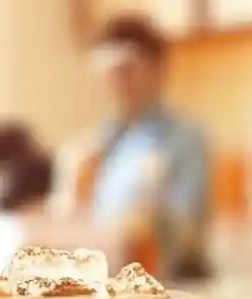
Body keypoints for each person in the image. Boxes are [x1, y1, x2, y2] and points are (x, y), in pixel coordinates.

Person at [87, 15, 212, 279]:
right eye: (109, 73)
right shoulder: (110, 142)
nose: (117, 83)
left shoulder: (184, 139)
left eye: (127, 71)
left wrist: (141, 228)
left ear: (158, 70)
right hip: (113, 279)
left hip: (166, 282)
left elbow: (185, 231)